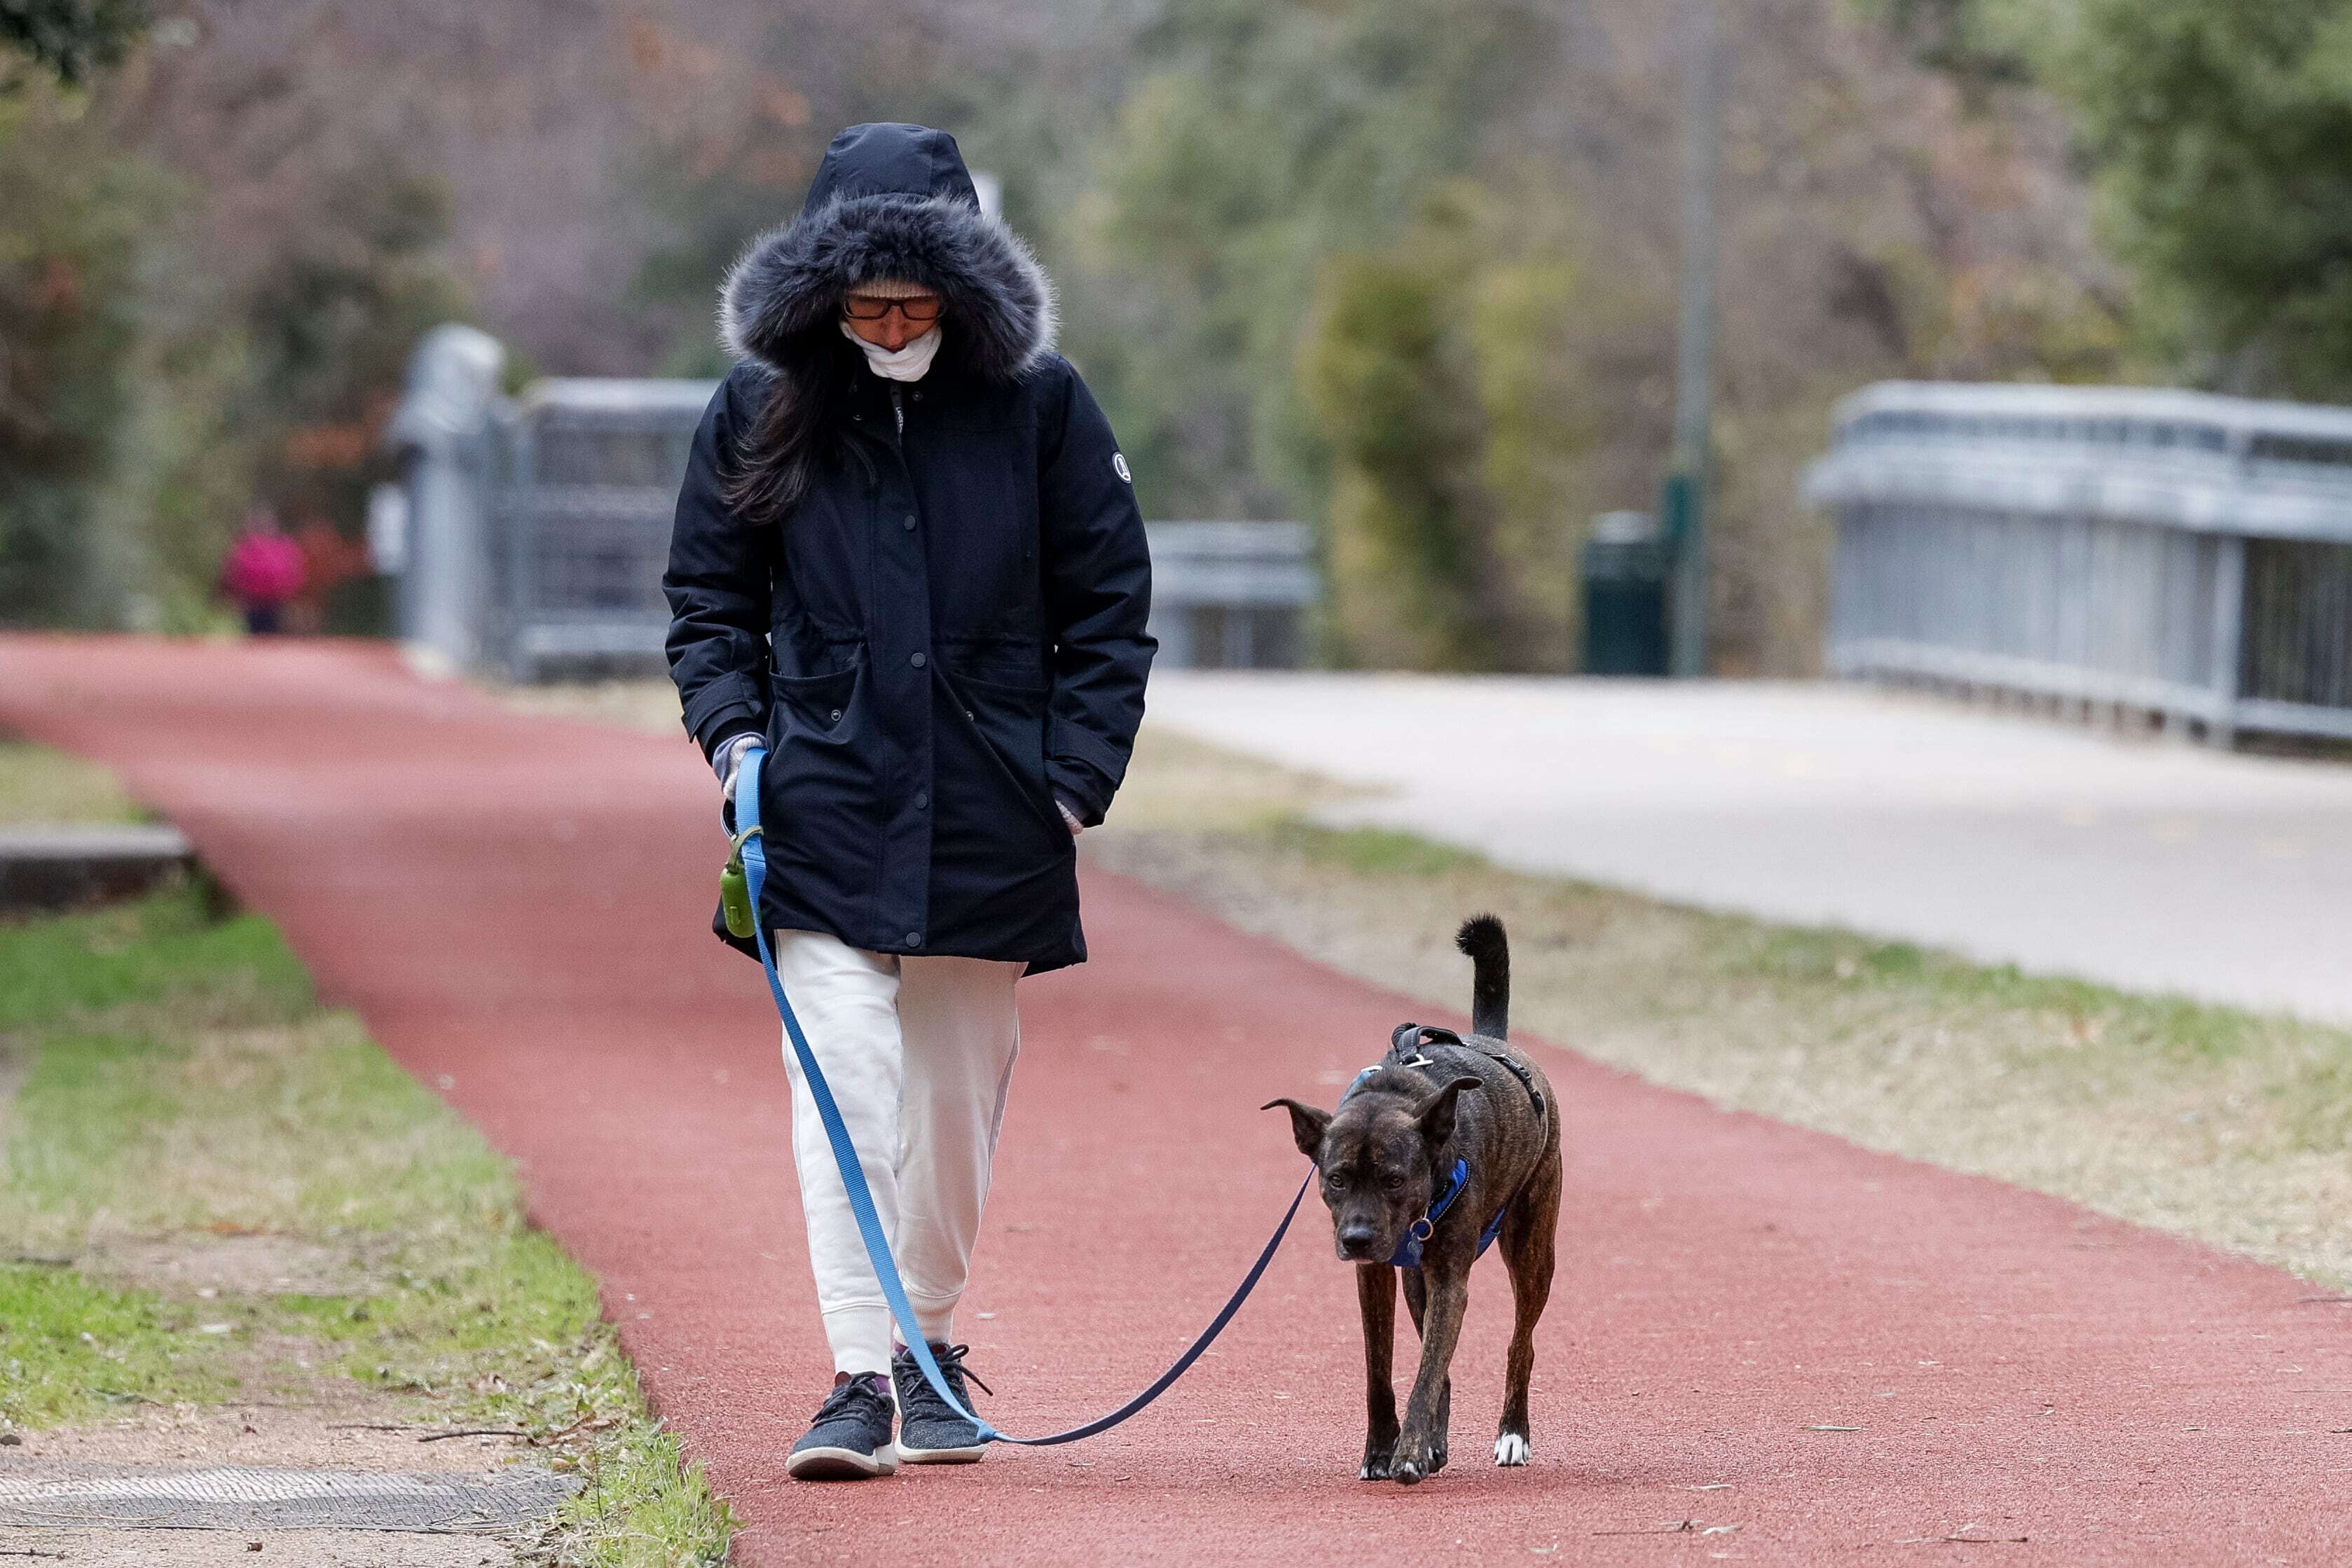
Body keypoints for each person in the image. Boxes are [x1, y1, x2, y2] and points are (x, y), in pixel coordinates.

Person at [662, 123, 1154, 1481]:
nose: (887, 319)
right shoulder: (757, 406)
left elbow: (1113, 605)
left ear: (965, 285)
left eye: (913, 295)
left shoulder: (1043, 406)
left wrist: (1070, 784)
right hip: (813, 807)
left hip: (995, 814)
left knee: (948, 1103)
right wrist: (734, 744)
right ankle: (855, 1376)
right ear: (818, 291)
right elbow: (707, 602)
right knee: (843, 1085)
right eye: (863, 297)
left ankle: (928, 1347)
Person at [219, 505, 306, 635]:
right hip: (275, 600)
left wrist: (230, 595)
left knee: (255, 634)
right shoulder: (283, 544)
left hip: (253, 600)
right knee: (272, 635)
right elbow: (296, 573)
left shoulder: (244, 545)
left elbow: (231, 572)